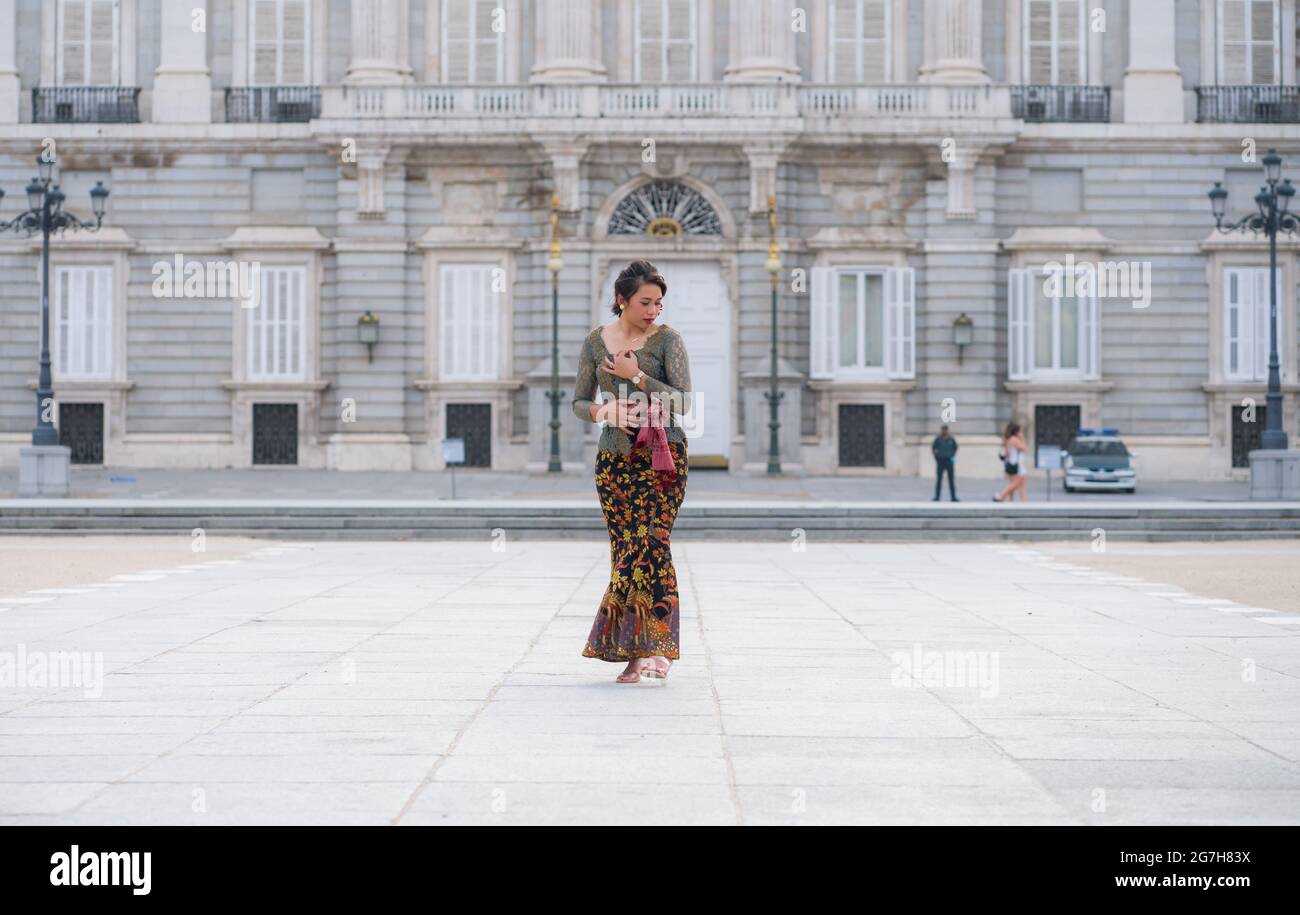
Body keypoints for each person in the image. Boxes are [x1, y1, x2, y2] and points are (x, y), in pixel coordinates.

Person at [571, 260, 693, 684]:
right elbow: (578, 403)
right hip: (614, 462)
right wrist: (605, 409)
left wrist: (637, 376)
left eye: (659, 302)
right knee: (626, 552)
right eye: (645, 302)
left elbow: (684, 404)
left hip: (663, 461)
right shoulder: (594, 343)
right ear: (621, 299)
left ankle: (650, 649)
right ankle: (639, 649)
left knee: (651, 545)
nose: (654, 310)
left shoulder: (669, 341)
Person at [994, 422, 1029, 502]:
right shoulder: (1014, 440)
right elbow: (1024, 448)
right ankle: (1001, 496)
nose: (1021, 433)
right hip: (1017, 465)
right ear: (1016, 431)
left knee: (1019, 485)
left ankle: (1013, 502)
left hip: (1011, 464)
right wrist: (1023, 438)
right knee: (1016, 485)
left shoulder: (1008, 439)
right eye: (1020, 431)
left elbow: (1007, 453)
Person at [931, 424, 959, 501]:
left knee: (951, 480)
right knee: (939, 479)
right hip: (940, 461)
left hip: (949, 461)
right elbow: (933, 449)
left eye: (945, 430)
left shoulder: (951, 439)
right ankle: (937, 497)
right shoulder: (938, 439)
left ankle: (953, 497)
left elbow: (955, 449)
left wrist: (953, 460)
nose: (944, 431)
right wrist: (937, 458)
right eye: (943, 430)